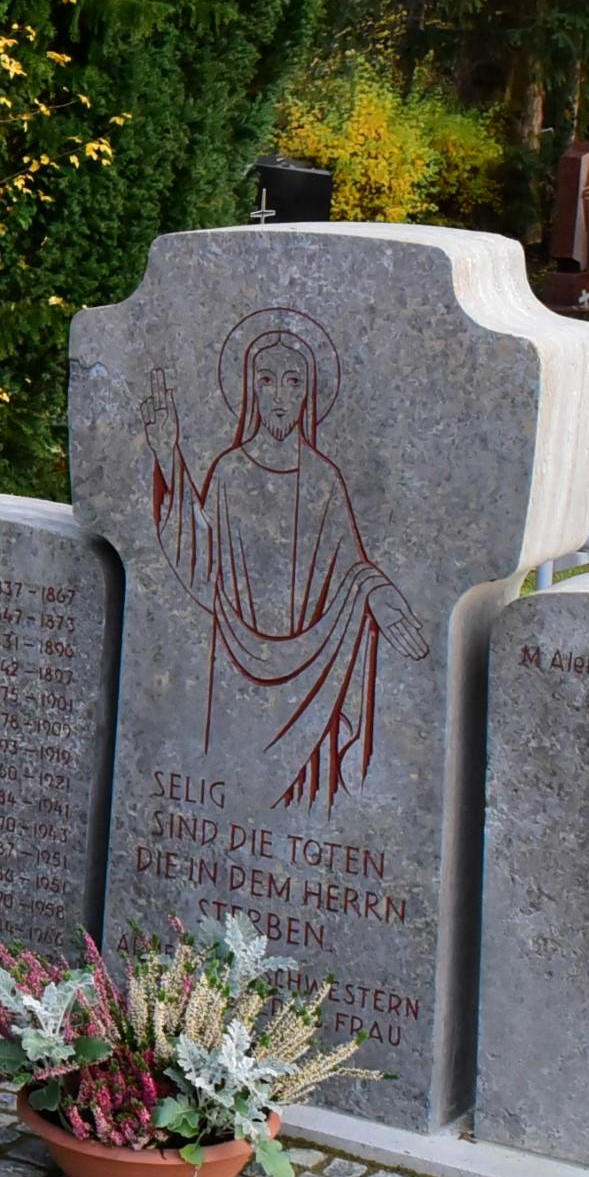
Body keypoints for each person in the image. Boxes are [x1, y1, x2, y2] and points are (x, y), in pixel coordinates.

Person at [138, 309, 426, 813]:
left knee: (305, 807)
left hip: (315, 671)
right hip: (236, 667)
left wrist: (382, 600)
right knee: (234, 793)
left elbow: (353, 568)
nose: (278, 394)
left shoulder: (323, 480)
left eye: (292, 382)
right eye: (266, 380)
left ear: (307, 394)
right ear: (250, 389)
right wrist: (168, 455)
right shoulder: (228, 472)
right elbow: (200, 560)